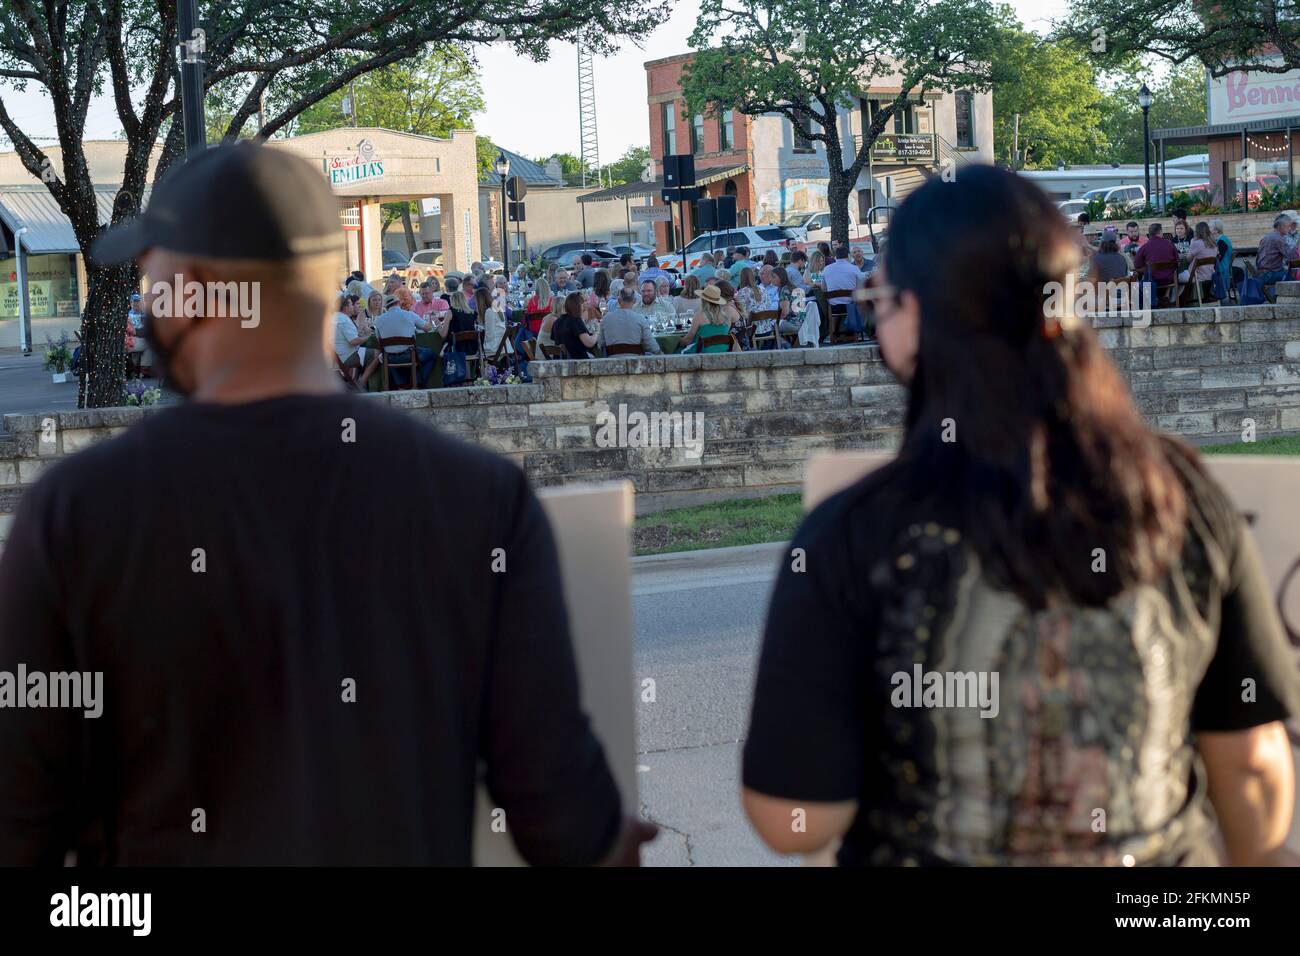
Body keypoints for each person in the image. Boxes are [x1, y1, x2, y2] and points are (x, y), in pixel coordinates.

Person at [0, 142, 653, 866]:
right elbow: (569, 821)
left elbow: (20, 823)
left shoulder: (73, 515)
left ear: (194, 286)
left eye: (151, 278)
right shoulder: (480, 498)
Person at [742, 164, 1300, 867]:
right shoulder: (1179, 492)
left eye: (881, 295)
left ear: (913, 319)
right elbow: (1252, 766)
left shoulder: (852, 534)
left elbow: (793, 821)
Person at [375, 293, 436, 387]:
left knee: (389, 352)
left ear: (386, 307)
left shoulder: (378, 320)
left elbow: (379, 342)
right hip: (409, 355)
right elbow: (428, 328)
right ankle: (418, 380)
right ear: (398, 303)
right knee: (431, 354)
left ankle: (401, 385)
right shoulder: (409, 314)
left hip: (390, 359)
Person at [333, 293, 380, 388]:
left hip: (339, 355)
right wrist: (367, 337)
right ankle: (362, 382)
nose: (353, 306)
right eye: (350, 304)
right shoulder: (344, 320)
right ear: (345, 307)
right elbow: (353, 341)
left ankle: (356, 380)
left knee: (367, 352)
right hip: (348, 356)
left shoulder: (336, 317)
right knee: (378, 354)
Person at [598, 287, 662, 354]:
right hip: (636, 362)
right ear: (634, 301)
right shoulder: (640, 319)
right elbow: (653, 347)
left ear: (619, 301)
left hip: (612, 361)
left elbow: (600, 343)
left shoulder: (606, 319)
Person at [679, 284, 734, 353]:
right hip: (722, 355)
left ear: (703, 300)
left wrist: (676, 341)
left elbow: (688, 340)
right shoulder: (726, 317)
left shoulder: (699, 316)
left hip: (701, 355)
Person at [553, 290, 597, 359]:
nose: (585, 305)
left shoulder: (558, 321)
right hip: (578, 362)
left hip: (561, 362)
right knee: (600, 355)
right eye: (583, 303)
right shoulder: (575, 320)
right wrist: (597, 332)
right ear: (577, 305)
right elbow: (589, 343)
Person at [1133, 222, 1178, 289]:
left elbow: (1137, 264)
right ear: (1160, 232)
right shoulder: (1170, 244)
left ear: (1150, 234)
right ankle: (1167, 296)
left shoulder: (1145, 247)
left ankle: (1150, 298)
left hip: (1152, 281)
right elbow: (1177, 260)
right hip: (1170, 279)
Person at [1254, 213, 1292, 286]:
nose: (1289, 228)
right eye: (1288, 226)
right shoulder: (1278, 239)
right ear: (1281, 226)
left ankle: (1277, 296)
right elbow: (1291, 256)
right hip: (1268, 275)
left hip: (1261, 274)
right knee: (1295, 275)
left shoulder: (1267, 236)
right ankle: (1284, 297)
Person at [1178, 220, 1216, 290]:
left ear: (1197, 232)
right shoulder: (1214, 244)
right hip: (1210, 275)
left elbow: (1188, 259)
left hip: (1195, 276)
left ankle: (1176, 299)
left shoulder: (1196, 243)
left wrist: (1192, 243)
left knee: (1175, 277)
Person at [477, 286, 509, 358]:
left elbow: (489, 335)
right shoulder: (497, 307)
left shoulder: (489, 311)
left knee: (473, 349)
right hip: (504, 345)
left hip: (494, 348)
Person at [1212, 219, 1238, 296]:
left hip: (1222, 267)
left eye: (1211, 228)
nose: (1209, 230)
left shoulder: (1221, 241)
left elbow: (1219, 258)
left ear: (1216, 230)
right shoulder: (1223, 238)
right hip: (1225, 265)